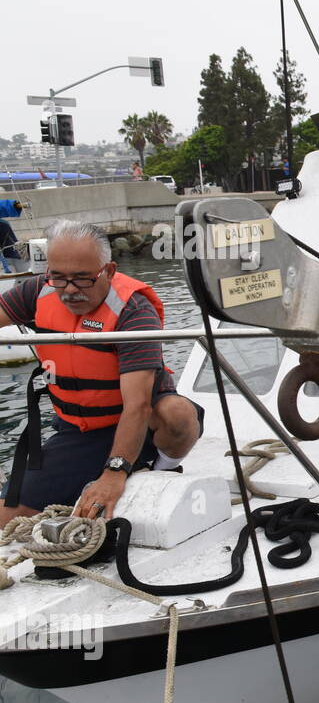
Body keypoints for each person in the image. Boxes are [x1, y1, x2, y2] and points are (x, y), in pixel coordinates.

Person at [0, 220, 204, 526]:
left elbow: (138, 405)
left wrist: (114, 473)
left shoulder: (134, 311)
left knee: (178, 414)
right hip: (79, 431)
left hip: (141, 421)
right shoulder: (38, 292)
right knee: (6, 517)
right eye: (58, 278)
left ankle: (162, 468)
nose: (69, 290)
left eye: (82, 279)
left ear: (108, 271)